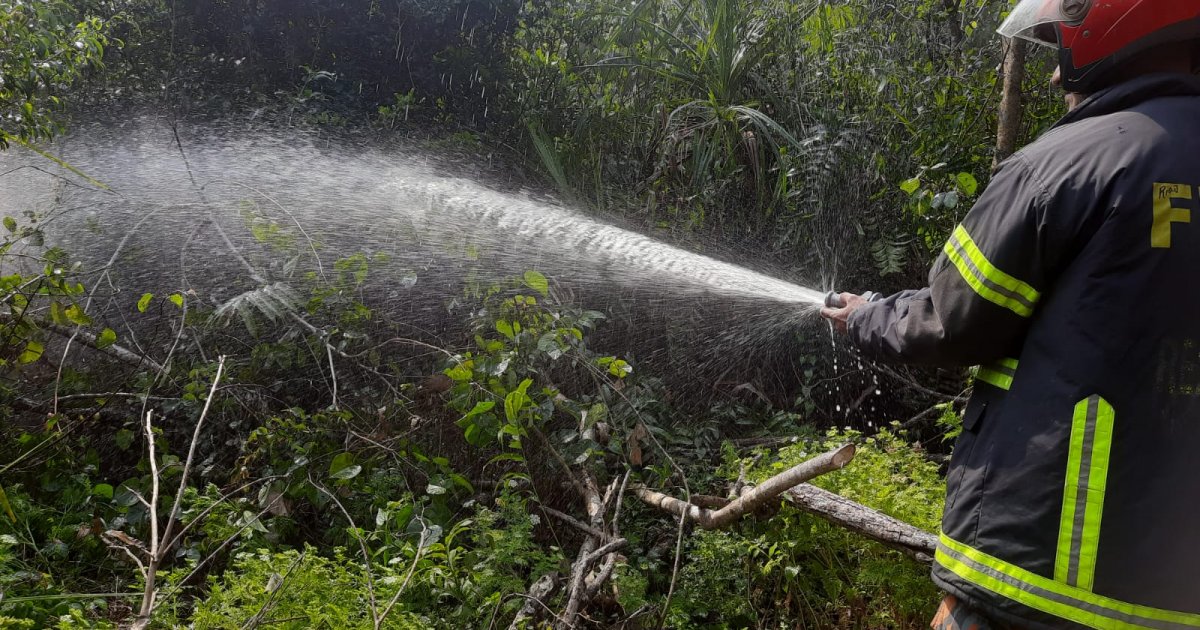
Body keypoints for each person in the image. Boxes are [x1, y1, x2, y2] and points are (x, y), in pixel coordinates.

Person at [820, 1, 1200, 628]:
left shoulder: (1069, 163)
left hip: (1038, 573)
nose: (1054, 77)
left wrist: (867, 317)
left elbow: (952, 320)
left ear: (1110, 31)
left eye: (1060, 53)